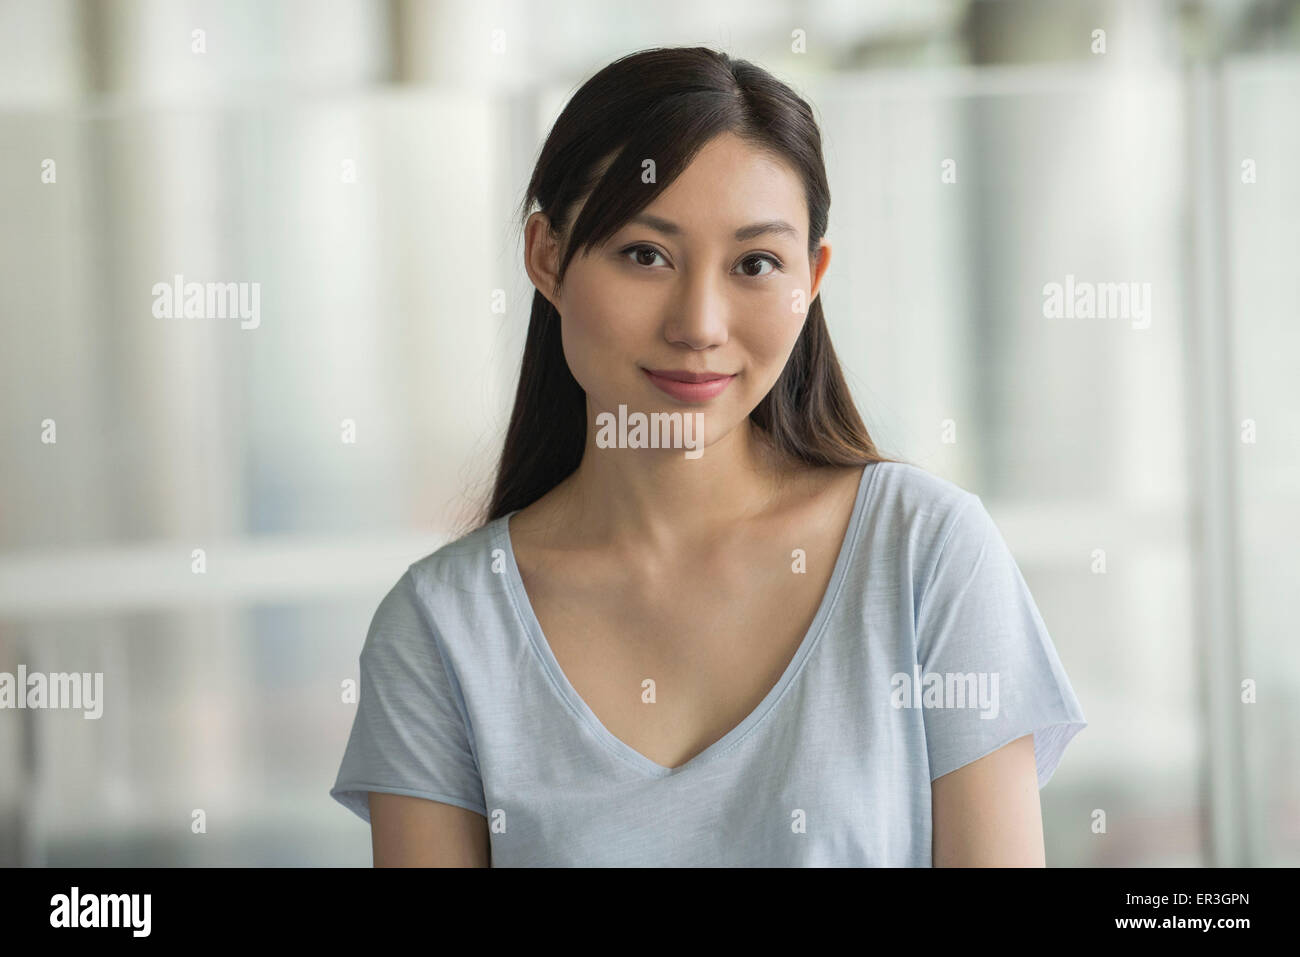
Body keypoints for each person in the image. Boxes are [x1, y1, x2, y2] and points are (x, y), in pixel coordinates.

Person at [330, 46, 1086, 866]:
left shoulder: (926, 557)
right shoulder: (441, 631)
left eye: (756, 264)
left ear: (811, 277)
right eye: (645, 255)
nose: (700, 324)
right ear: (547, 256)